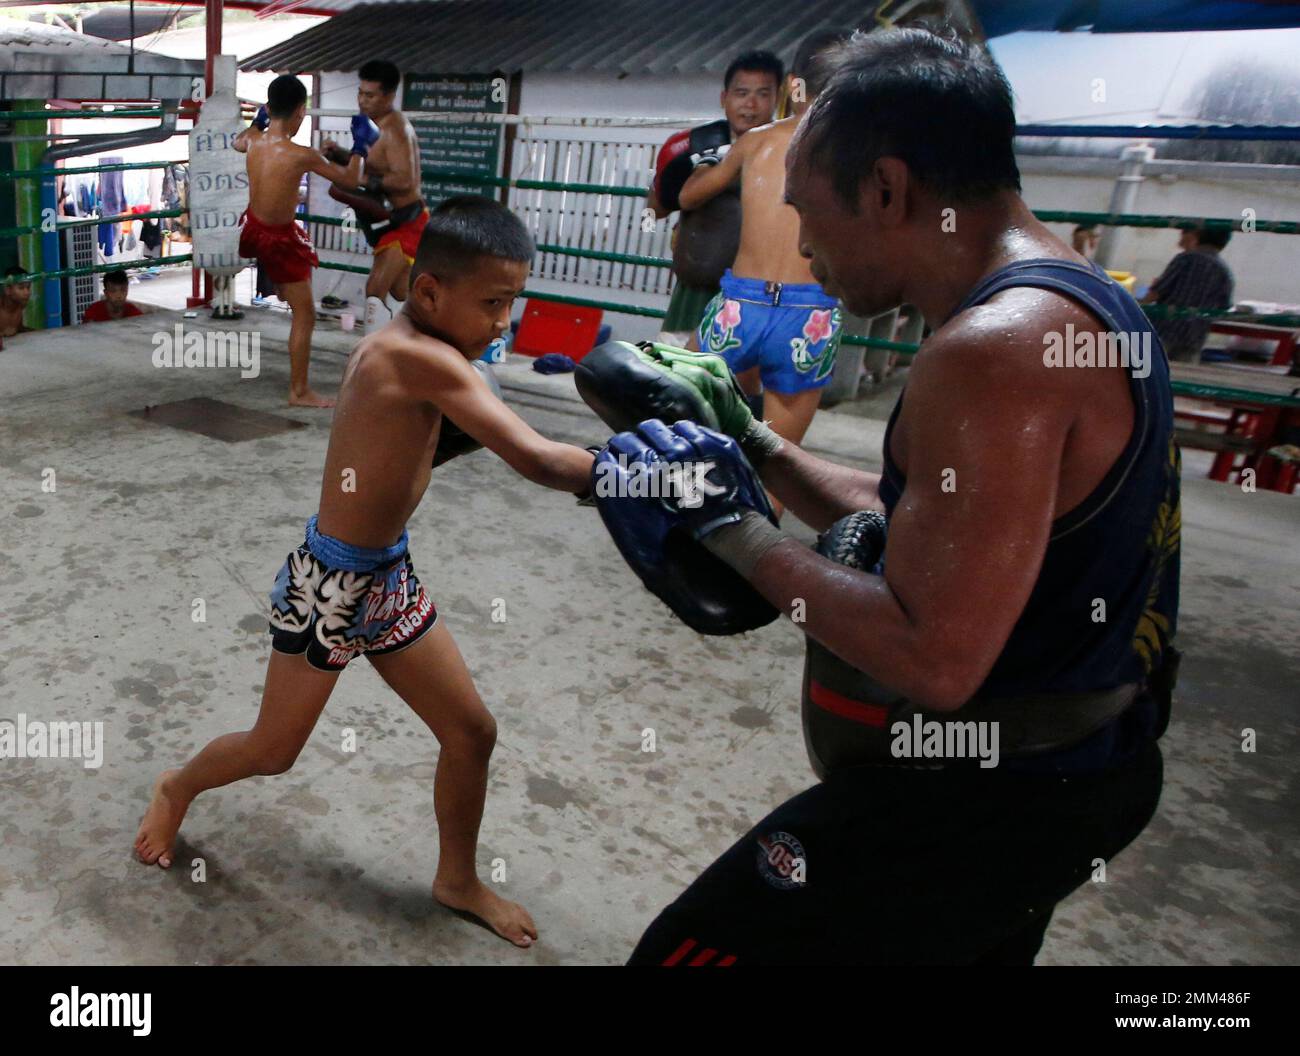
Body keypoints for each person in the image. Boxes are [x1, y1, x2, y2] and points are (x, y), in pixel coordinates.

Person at [604, 26, 1179, 966]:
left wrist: (725, 527)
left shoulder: (997, 349)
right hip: (1076, 769)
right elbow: (952, 518)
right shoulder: (1074, 301)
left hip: (991, 797)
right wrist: (751, 442)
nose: (803, 244)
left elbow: (932, 654)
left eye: (808, 213)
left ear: (886, 188)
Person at [134, 197, 596, 949]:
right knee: (272, 750)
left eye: (512, 302)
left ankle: (457, 879)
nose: (504, 322)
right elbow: (540, 458)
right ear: (429, 293)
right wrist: (641, 473)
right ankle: (174, 787)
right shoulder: (413, 355)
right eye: (491, 303)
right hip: (331, 587)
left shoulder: (431, 350)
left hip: (387, 577)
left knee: (472, 731)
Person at [679, 30, 851, 468]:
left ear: (793, 85)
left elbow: (687, 197)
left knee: (688, 438)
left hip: (740, 307)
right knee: (778, 467)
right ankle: (759, 525)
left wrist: (708, 163)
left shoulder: (755, 142)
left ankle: (686, 521)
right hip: (807, 316)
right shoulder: (862, 155)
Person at [233, 74, 372, 408]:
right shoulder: (301, 154)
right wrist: (360, 146)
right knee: (305, 315)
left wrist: (258, 122)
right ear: (300, 112)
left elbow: (238, 140)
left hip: (254, 226)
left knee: (292, 269)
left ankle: (281, 285)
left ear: (269, 108)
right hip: (278, 238)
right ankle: (299, 391)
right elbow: (352, 180)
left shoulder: (254, 140)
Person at [649, 50, 782, 346]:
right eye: (742, 93)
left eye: (763, 94)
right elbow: (653, 207)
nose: (750, 104)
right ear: (725, 99)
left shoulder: (787, 150)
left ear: (777, 98)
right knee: (679, 373)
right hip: (696, 289)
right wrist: (654, 229)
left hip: (759, 289)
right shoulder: (691, 145)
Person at [321, 59, 427, 332]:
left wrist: (362, 179)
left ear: (388, 96)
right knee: (404, 292)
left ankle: (371, 356)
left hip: (407, 221)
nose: (362, 100)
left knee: (374, 290)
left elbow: (406, 180)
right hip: (386, 221)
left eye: (370, 95)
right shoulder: (371, 124)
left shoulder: (396, 129)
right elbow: (375, 165)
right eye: (360, 93)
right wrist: (340, 154)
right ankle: (423, 342)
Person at [1141, 225, 1235, 363]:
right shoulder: (1224, 270)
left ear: (1198, 235)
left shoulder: (1184, 259)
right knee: (1180, 377)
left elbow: (1157, 292)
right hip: (1194, 337)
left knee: (1148, 373)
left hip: (1165, 330)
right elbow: (1224, 306)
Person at [82, 269, 147, 322]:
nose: (119, 295)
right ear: (106, 293)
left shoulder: (134, 313)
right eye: (113, 291)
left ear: (127, 291)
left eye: (123, 290)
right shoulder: (93, 312)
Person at [0, 266, 33, 338]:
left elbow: (17, 328)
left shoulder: (21, 304)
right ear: (7, 290)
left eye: (28, 287)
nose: (27, 292)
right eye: (21, 288)